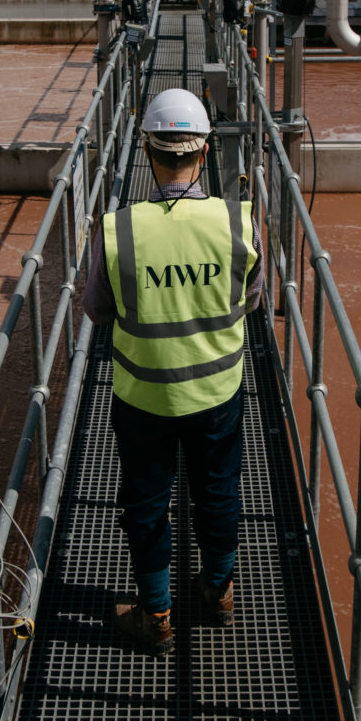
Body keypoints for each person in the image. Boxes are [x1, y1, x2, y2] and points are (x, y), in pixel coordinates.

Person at [76, 87, 264, 655]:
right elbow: (252, 300)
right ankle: (219, 592)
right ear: (204, 152)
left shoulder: (118, 230)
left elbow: (96, 310)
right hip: (217, 392)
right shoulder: (237, 222)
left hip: (144, 398)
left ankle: (157, 615)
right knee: (218, 491)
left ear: (146, 152)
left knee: (147, 504)